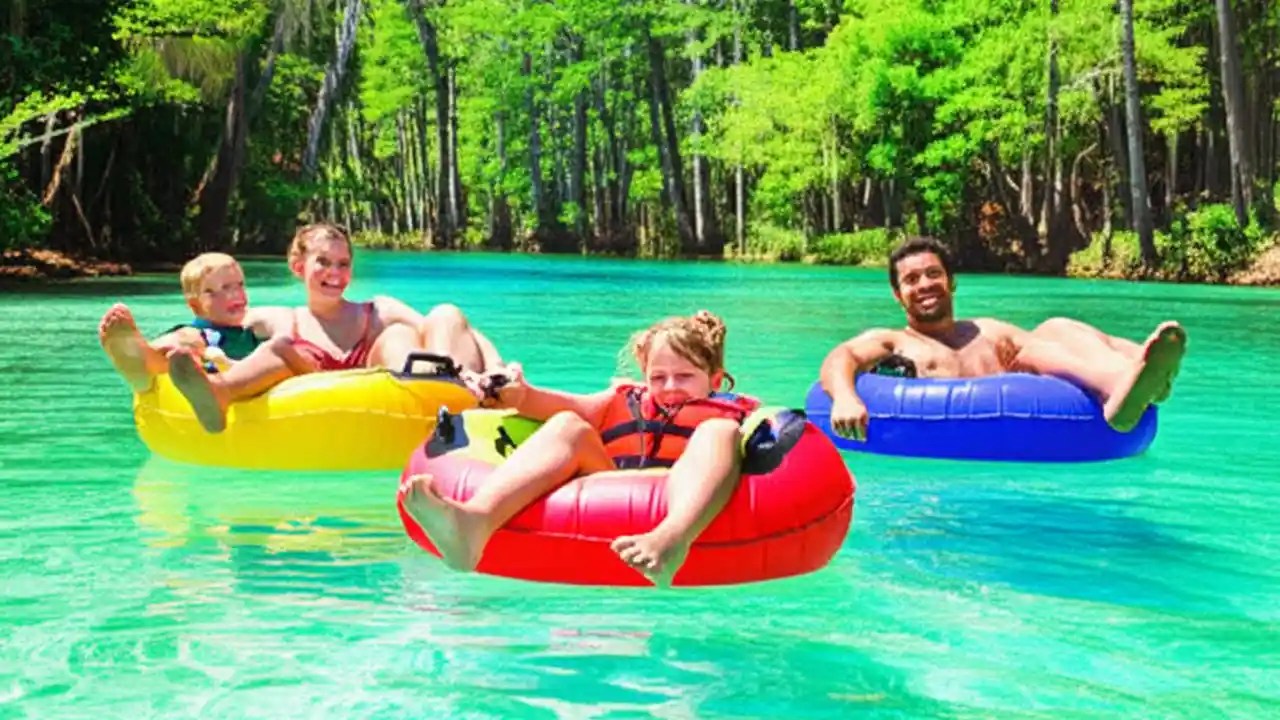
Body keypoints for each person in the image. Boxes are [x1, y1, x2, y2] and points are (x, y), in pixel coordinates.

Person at [400, 310, 756, 586]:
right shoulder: (623, 401)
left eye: (685, 376)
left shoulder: (729, 415)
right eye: (658, 377)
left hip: (682, 505)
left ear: (714, 380)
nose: (669, 387)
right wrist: (519, 394)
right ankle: (474, 522)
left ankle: (672, 541)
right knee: (569, 424)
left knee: (719, 432)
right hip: (612, 496)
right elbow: (560, 404)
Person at [819, 236, 1187, 438]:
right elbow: (842, 357)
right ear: (898, 295)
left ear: (952, 282)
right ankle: (1129, 383)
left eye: (934, 274)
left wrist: (1129, 350)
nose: (925, 285)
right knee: (1035, 343)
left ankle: (1131, 379)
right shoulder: (893, 341)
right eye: (912, 280)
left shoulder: (987, 330)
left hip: (1032, 416)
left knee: (1054, 328)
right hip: (952, 432)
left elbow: (1061, 345)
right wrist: (846, 399)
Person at [167, 223, 505, 432]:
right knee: (280, 347)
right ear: (298, 267)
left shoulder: (378, 310)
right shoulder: (281, 318)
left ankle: (458, 394)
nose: (335, 273)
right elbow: (215, 322)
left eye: (343, 264)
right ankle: (221, 391)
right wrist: (183, 338)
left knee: (421, 323)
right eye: (323, 262)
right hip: (324, 415)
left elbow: (459, 329)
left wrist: (497, 368)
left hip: (409, 401)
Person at [98, 252, 299, 395]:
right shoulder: (197, 334)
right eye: (219, 289)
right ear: (195, 305)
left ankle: (142, 364)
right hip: (204, 358)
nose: (235, 294)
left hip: (240, 371)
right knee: (185, 342)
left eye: (239, 285)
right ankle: (141, 360)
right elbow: (189, 340)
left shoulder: (253, 328)